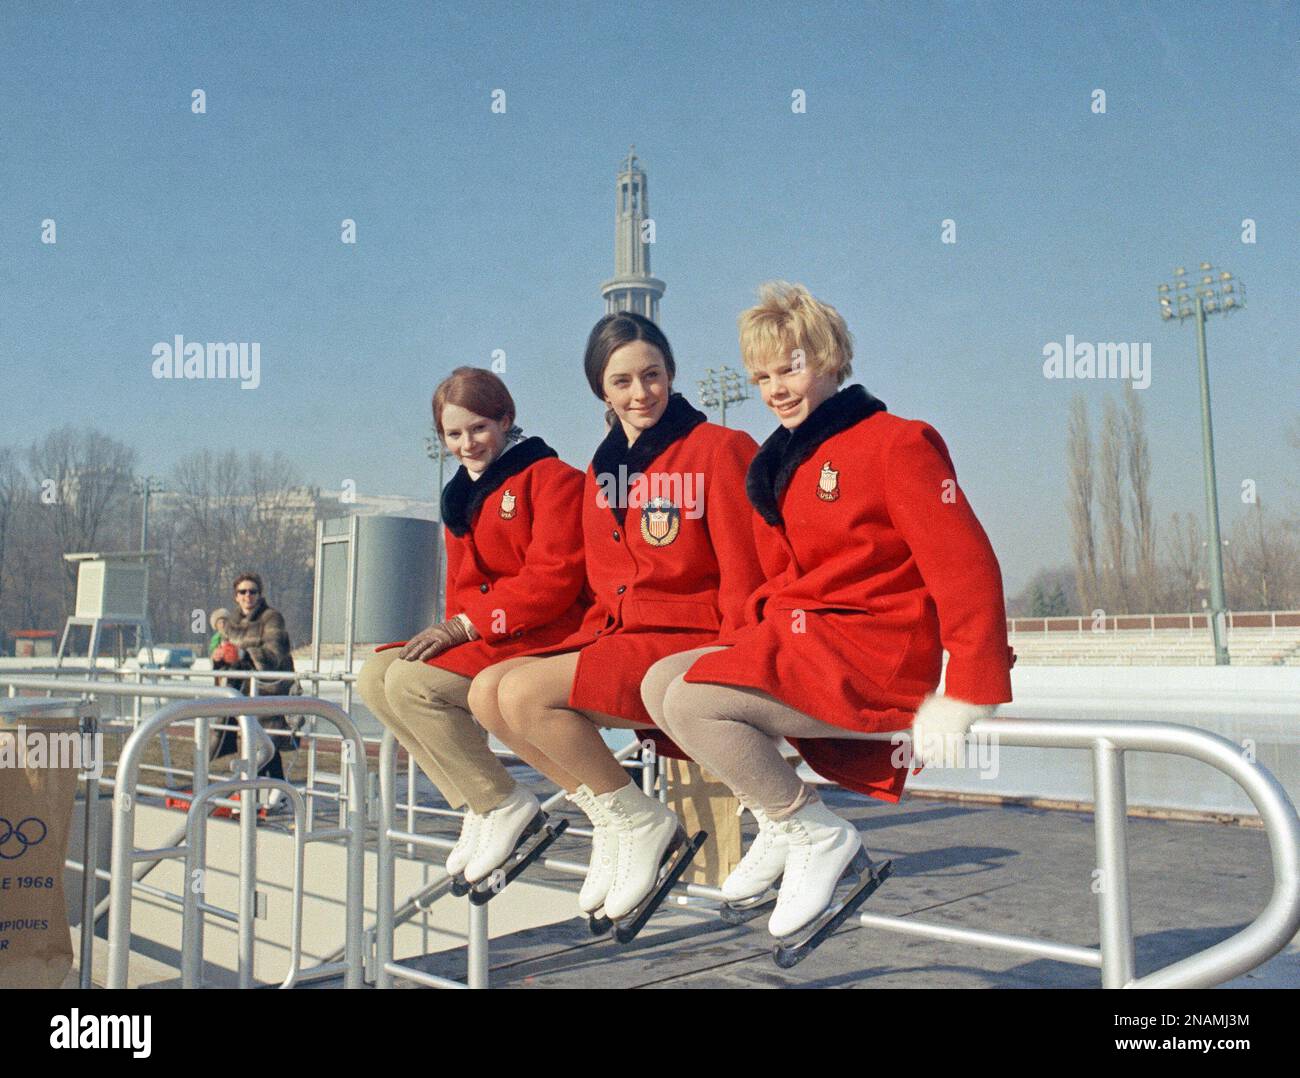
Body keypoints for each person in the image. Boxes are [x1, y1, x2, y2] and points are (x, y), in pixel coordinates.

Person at [643, 282, 1015, 957]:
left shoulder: (896, 443)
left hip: (875, 656)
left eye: (792, 366)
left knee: (695, 700)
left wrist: (967, 692)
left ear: (833, 358)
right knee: (659, 681)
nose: (776, 388)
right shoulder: (782, 464)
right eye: (762, 376)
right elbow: (779, 585)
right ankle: (781, 825)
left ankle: (814, 831)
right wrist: (744, 644)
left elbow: (967, 569)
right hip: (810, 644)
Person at [468, 312, 765, 934]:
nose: (640, 394)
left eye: (652, 376)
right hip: (621, 633)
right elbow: (601, 579)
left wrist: (740, 660)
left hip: (687, 638)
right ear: (602, 391)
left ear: (672, 374)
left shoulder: (719, 449)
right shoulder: (603, 470)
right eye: (623, 381)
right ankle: (614, 818)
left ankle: (641, 819)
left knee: (525, 692)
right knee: (488, 694)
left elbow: (747, 567)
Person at [358, 367, 588, 893]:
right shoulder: (460, 496)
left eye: (479, 428)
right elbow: (462, 589)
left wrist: (466, 626)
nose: (467, 444)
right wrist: (457, 632)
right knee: (375, 677)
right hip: (493, 637)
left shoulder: (553, 479)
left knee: (411, 684)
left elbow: (553, 580)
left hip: (551, 634)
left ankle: (506, 803)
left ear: (506, 419)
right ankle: (478, 804)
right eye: (453, 435)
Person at [210, 572, 298, 785]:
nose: (248, 596)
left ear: (259, 594)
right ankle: (265, 792)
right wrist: (219, 658)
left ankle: (268, 792)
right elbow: (224, 659)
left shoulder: (271, 618)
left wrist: (243, 654)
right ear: (236, 596)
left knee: (265, 743)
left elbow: (275, 654)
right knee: (255, 744)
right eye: (243, 592)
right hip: (241, 692)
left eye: (253, 591)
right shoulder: (231, 623)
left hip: (269, 691)